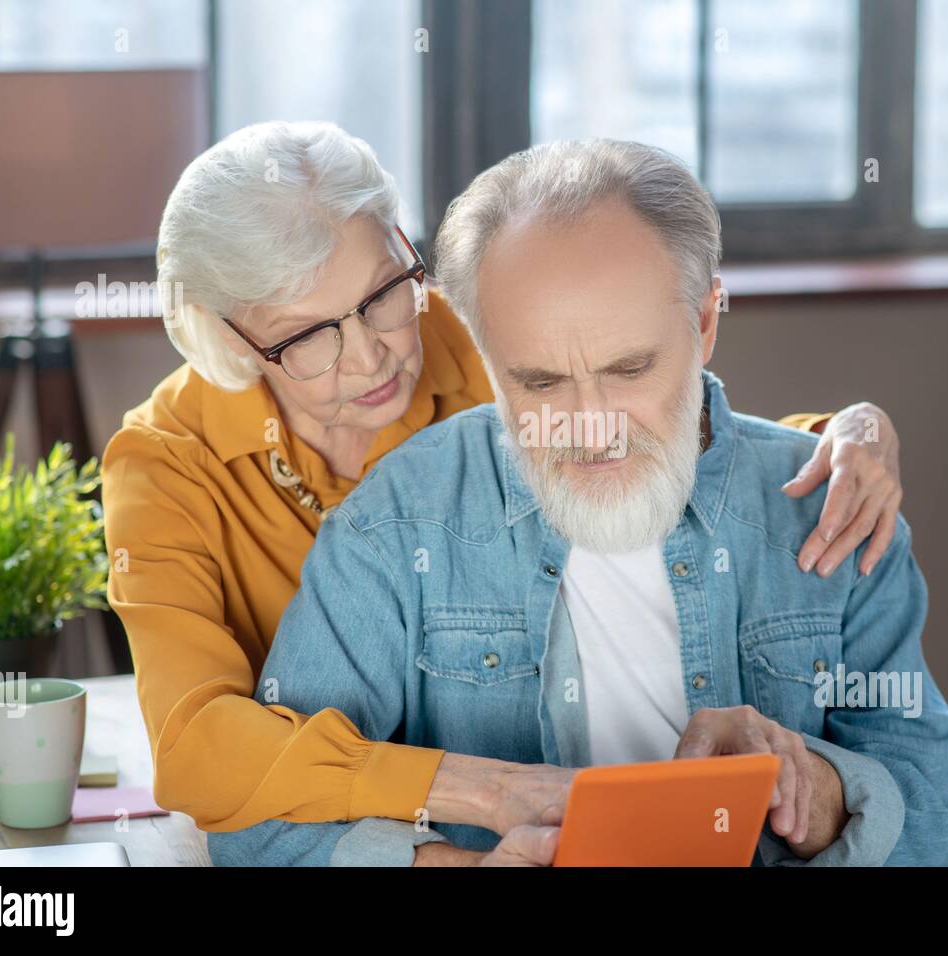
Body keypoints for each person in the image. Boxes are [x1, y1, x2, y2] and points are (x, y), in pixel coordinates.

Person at [102, 121, 905, 834]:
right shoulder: (165, 464)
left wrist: (842, 434)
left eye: (383, 293)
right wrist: (473, 791)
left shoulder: (482, 336)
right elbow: (195, 750)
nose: (374, 353)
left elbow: (648, 413)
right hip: (367, 823)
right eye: (310, 335)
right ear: (236, 344)